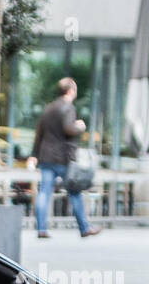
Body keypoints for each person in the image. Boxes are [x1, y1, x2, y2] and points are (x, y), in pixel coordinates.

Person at [28, 78, 101, 238]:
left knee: (44, 193)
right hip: (62, 157)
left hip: (46, 156)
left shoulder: (48, 108)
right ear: (70, 91)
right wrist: (79, 127)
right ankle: (84, 227)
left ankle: (41, 229)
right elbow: (68, 128)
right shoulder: (68, 108)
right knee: (74, 192)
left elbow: (39, 134)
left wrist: (34, 155)